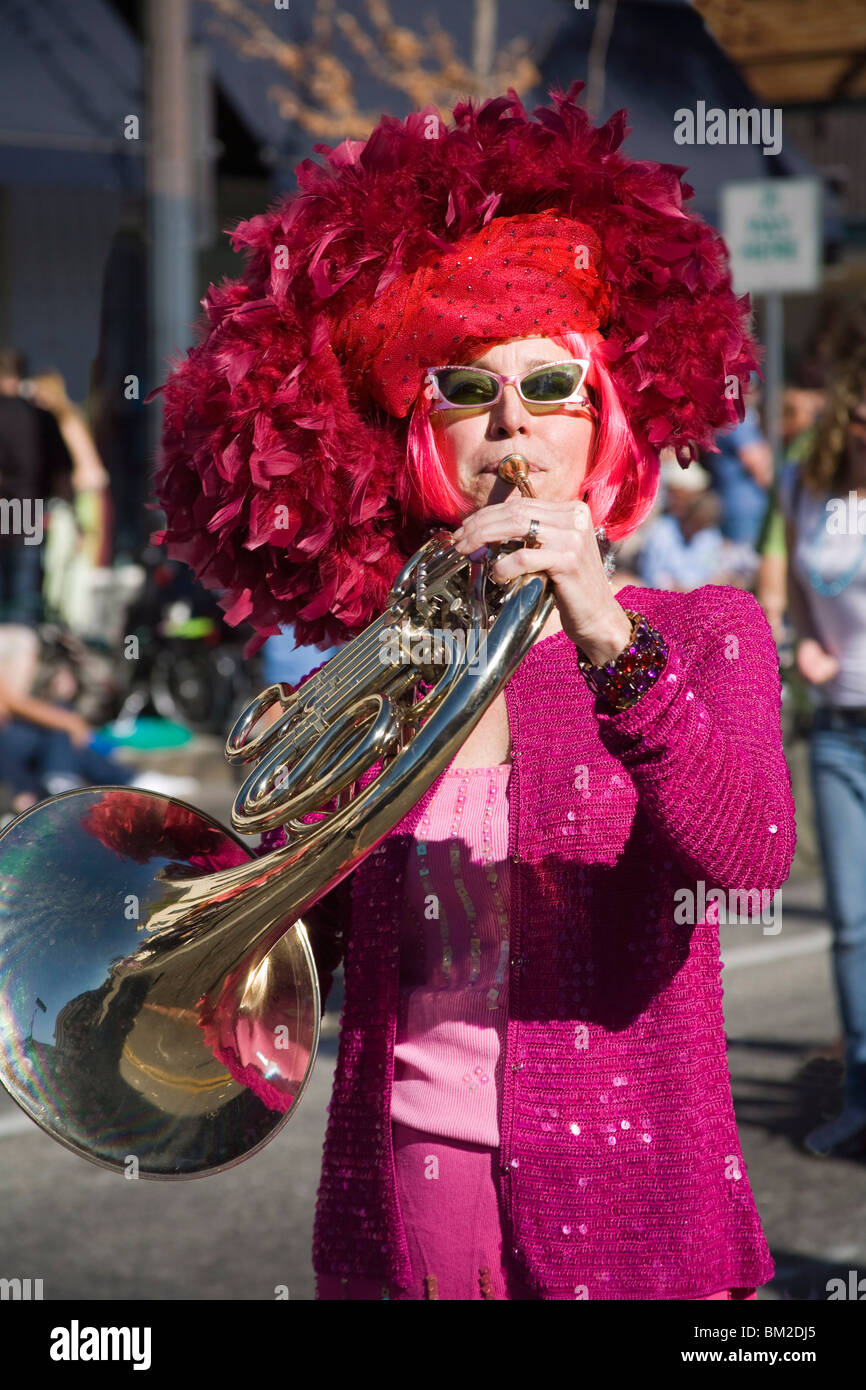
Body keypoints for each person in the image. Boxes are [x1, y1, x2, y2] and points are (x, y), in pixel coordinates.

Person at [152, 84, 796, 1301]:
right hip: (413, 1183)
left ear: (600, 419)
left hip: (637, 1188)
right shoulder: (380, 652)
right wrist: (273, 857)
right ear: (420, 435)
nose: (512, 425)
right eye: (465, 388)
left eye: (551, 388)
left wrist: (603, 627)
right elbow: (314, 957)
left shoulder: (703, 629)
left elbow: (752, 855)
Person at [778, 296, 866, 1158]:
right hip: (839, 727)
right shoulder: (808, 477)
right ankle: (861, 1097)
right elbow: (804, 574)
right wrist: (806, 636)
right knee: (851, 923)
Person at [0, 348, 74, 624]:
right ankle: (20, 656)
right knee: (25, 595)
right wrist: (63, 506)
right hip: (28, 509)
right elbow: (62, 468)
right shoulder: (40, 417)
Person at [704, 377, 773, 549]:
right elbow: (757, 465)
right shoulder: (737, 419)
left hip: (730, 505)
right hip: (745, 511)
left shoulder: (722, 416)